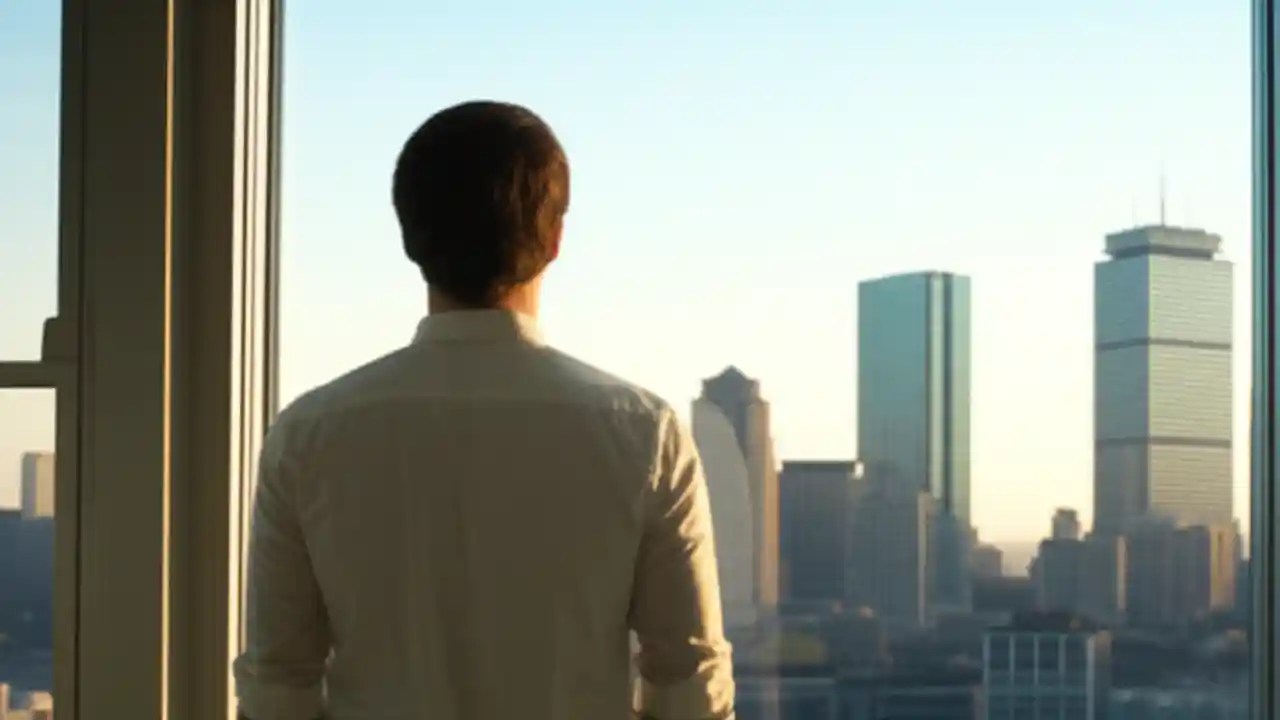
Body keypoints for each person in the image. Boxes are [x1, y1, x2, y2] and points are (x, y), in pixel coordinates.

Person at [233, 100, 735, 720]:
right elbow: (689, 679)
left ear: (410, 239)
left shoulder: (308, 435)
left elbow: (278, 680)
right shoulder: (644, 433)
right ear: (555, 240)